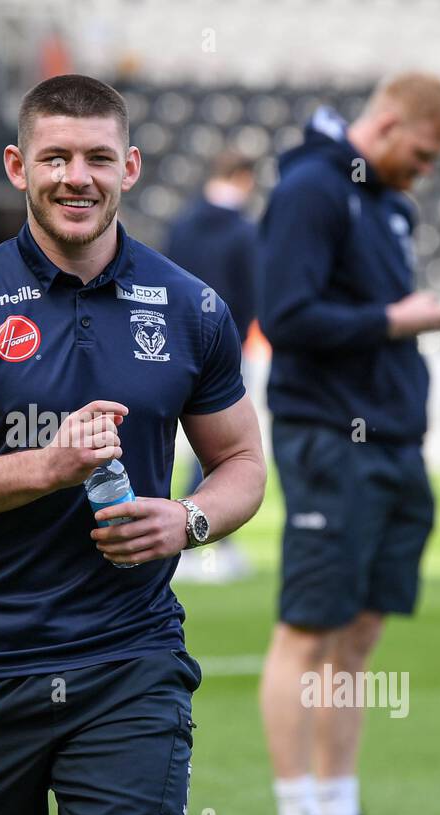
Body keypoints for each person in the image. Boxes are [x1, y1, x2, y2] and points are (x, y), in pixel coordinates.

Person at [0, 74, 267, 815]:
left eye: (97, 158)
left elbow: (242, 461)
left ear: (132, 166)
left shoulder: (193, 308)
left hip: (130, 657)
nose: (76, 177)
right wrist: (50, 466)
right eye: (55, 159)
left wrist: (187, 521)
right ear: (19, 167)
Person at [256, 73, 440, 815]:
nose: (426, 169)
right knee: (308, 631)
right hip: (331, 439)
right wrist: (397, 319)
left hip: (393, 443)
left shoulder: (388, 203)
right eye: (422, 152)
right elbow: (286, 315)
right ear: (385, 124)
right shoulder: (312, 189)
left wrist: (403, 322)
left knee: (358, 638)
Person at [166, 150, 260, 583]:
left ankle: (160, 525)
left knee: (167, 443)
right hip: (226, 351)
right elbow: (250, 295)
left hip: (170, 345)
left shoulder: (182, 224)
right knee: (222, 450)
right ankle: (199, 533)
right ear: (242, 177)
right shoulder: (244, 231)